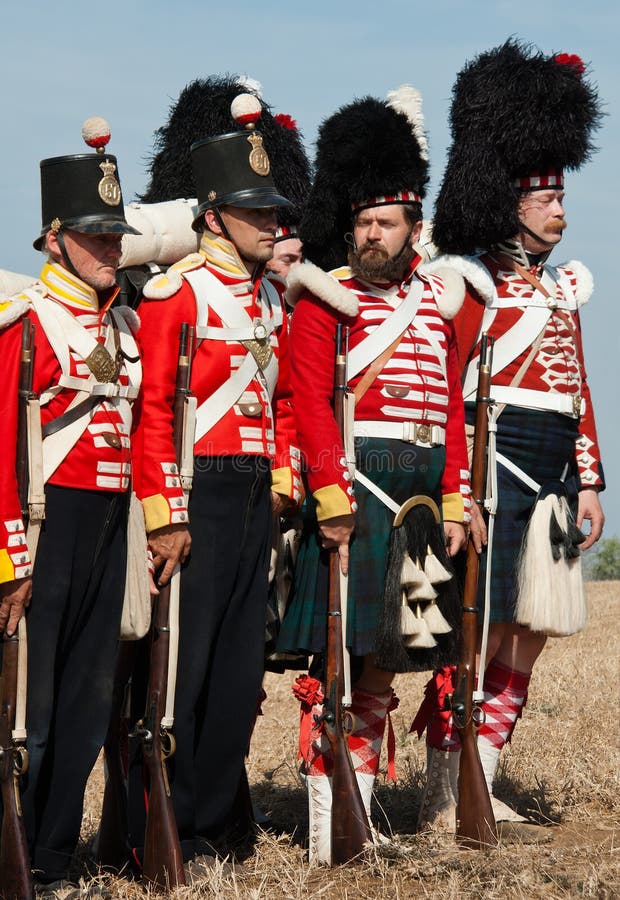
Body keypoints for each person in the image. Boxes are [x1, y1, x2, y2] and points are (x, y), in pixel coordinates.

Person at [413, 39, 605, 835]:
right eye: (547, 201)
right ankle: (442, 789)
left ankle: (482, 779)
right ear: (513, 204)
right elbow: (448, 391)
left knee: (531, 631)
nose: (561, 210)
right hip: (493, 455)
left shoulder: (564, 286)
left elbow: (578, 389)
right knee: (479, 622)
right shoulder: (471, 281)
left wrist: (590, 480)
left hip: (553, 460)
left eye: (561, 199)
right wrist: (459, 490)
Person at [275, 86, 471, 863]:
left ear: (412, 227)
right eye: (361, 222)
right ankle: (333, 835)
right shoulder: (325, 297)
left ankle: (365, 816)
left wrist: (455, 499)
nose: (369, 234)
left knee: (391, 665)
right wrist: (330, 495)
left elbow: (454, 410)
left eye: (384, 223)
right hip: (358, 489)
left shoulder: (439, 301)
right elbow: (310, 404)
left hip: (422, 497)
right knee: (341, 664)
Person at [130, 89, 301, 872]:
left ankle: (213, 816)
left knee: (237, 673)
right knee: (183, 672)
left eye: (273, 212)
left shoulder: (270, 299)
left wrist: (287, 477)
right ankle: (171, 830)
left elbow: (288, 399)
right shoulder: (176, 294)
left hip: (254, 494)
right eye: (255, 212)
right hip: (195, 492)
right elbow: (155, 408)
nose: (272, 223)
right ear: (213, 218)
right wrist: (166, 513)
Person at [0, 118, 141, 897]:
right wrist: (12, 562)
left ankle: (52, 857)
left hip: (110, 525)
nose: (111, 247)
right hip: (45, 525)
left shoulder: (124, 324)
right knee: (33, 712)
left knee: (88, 711)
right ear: (55, 239)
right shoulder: (23, 324)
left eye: (116, 234)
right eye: (95, 235)